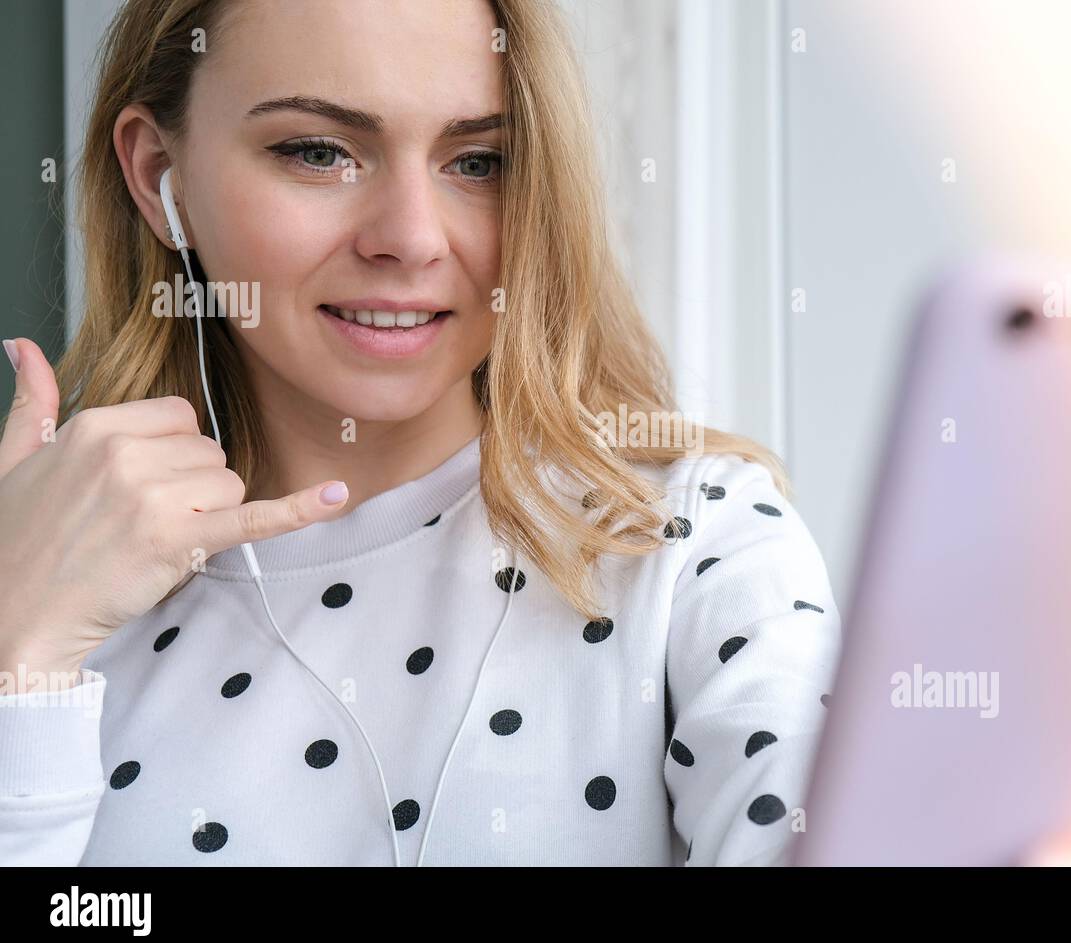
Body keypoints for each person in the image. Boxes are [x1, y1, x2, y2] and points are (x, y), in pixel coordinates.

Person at [0, 0, 841, 866]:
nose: (410, 237)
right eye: (318, 153)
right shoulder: (48, 595)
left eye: (479, 161)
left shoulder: (695, 545)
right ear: (157, 174)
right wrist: (21, 648)